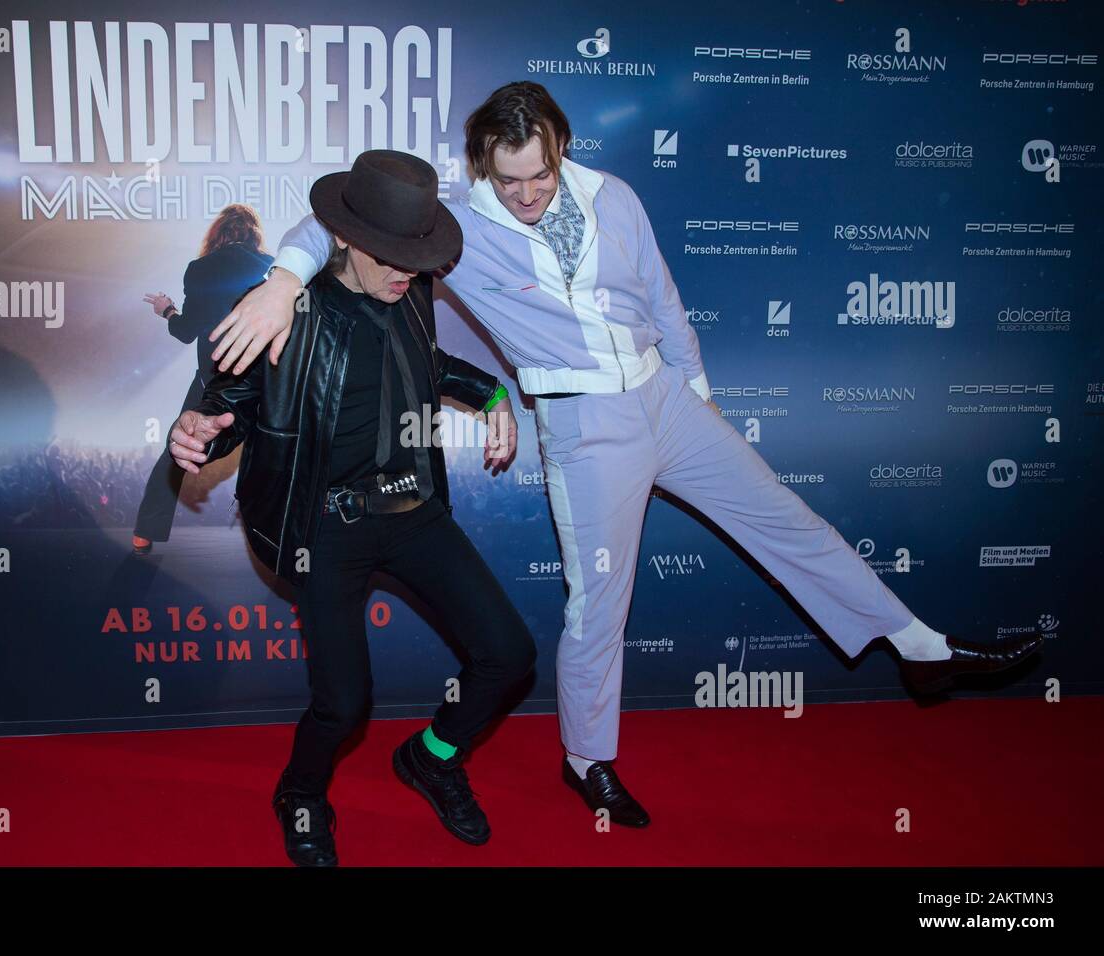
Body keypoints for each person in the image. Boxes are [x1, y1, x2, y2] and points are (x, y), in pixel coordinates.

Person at [206, 81, 1043, 828]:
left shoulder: (617, 198)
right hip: (582, 426)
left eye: (540, 173)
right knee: (600, 602)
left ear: (562, 149)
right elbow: (336, 223)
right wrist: (281, 281)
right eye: (510, 180)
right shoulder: (455, 226)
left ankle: (920, 646)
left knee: (789, 521)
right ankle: (588, 762)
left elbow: (666, 301)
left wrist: (700, 398)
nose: (529, 193)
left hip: (665, 400)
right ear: (482, 169)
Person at [167, 150, 537, 866]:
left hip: (413, 510)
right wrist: (195, 431)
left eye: (418, 258)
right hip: (323, 526)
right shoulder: (285, 311)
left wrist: (491, 392)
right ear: (340, 237)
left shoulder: (410, 293)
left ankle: (431, 756)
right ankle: (301, 793)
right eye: (391, 256)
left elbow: (428, 370)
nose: (407, 272)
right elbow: (225, 404)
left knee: (509, 654)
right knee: (345, 703)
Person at [131, 204, 272, 554]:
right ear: (253, 234)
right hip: (266, 373)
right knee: (280, 450)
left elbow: (185, 331)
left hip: (217, 378)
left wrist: (167, 310)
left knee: (177, 449)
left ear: (217, 233)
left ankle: (145, 533)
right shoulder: (271, 266)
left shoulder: (200, 269)